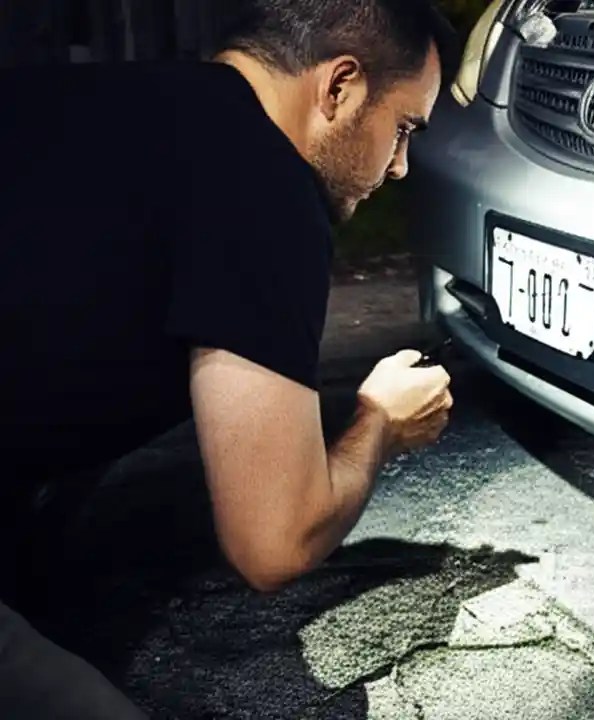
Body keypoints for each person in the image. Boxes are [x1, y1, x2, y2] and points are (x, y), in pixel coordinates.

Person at [0, 0, 460, 715]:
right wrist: (379, 423)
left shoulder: (113, 104)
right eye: (402, 130)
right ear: (339, 87)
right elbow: (273, 542)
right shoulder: (265, 185)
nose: (400, 168)